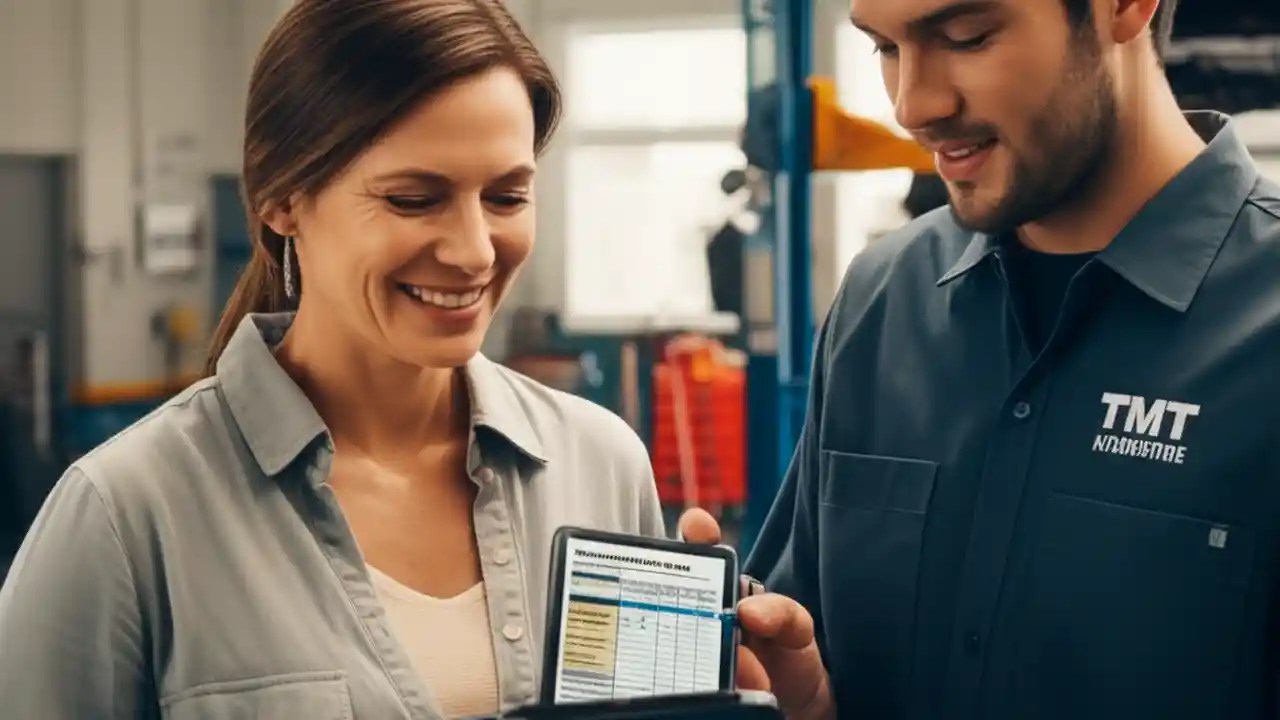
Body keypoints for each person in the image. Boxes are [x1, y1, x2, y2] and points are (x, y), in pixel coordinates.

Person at [0, 1, 664, 718]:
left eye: (507, 196)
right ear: (282, 200)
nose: (474, 250)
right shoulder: (125, 517)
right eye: (414, 199)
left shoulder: (602, 468)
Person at [683, 0, 1280, 718]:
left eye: (967, 36)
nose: (914, 104)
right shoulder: (882, 297)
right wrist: (806, 699)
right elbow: (808, 647)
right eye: (885, 48)